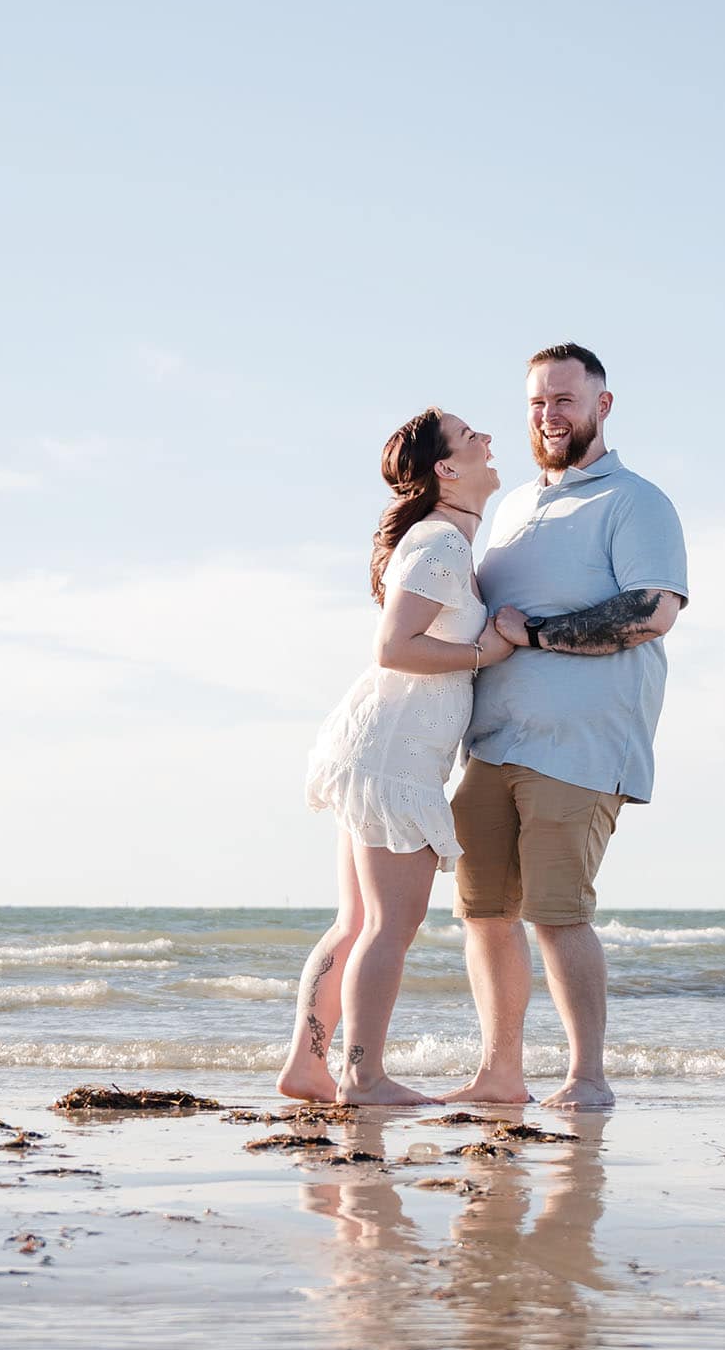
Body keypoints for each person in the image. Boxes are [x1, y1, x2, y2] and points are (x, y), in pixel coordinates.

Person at [444, 343, 688, 1111]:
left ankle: (588, 1077)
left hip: (579, 748)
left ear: (601, 406)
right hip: (491, 746)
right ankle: (500, 1073)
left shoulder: (635, 501)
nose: (548, 415)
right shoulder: (513, 506)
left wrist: (540, 634)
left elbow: (653, 610)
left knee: (557, 914)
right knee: (484, 914)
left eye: (564, 400)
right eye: (537, 402)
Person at [278, 410, 521, 1108]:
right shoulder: (440, 540)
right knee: (389, 925)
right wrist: (486, 652)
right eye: (470, 436)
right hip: (393, 757)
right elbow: (393, 646)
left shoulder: (445, 539)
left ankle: (308, 1068)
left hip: (381, 747)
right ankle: (363, 1077)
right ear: (446, 468)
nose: (487, 440)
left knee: (358, 923)